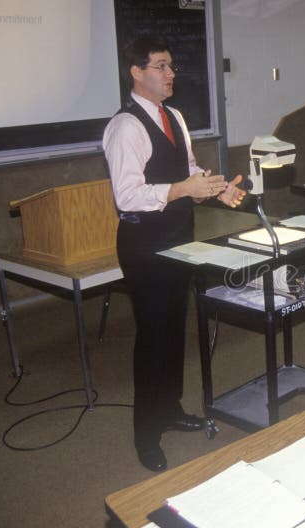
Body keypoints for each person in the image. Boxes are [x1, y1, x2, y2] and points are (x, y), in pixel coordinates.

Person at [103, 37, 246, 471]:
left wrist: (219, 188)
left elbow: (187, 170)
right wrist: (185, 189)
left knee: (173, 332)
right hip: (144, 246)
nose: (170, 75)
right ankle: (145, 433)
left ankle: (169, 409)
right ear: (136, 72)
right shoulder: (124, 127)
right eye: (161, 66)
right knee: (152, 336)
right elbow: (127, 196)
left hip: (180, 239)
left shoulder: (175, 116)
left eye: (171, 67)